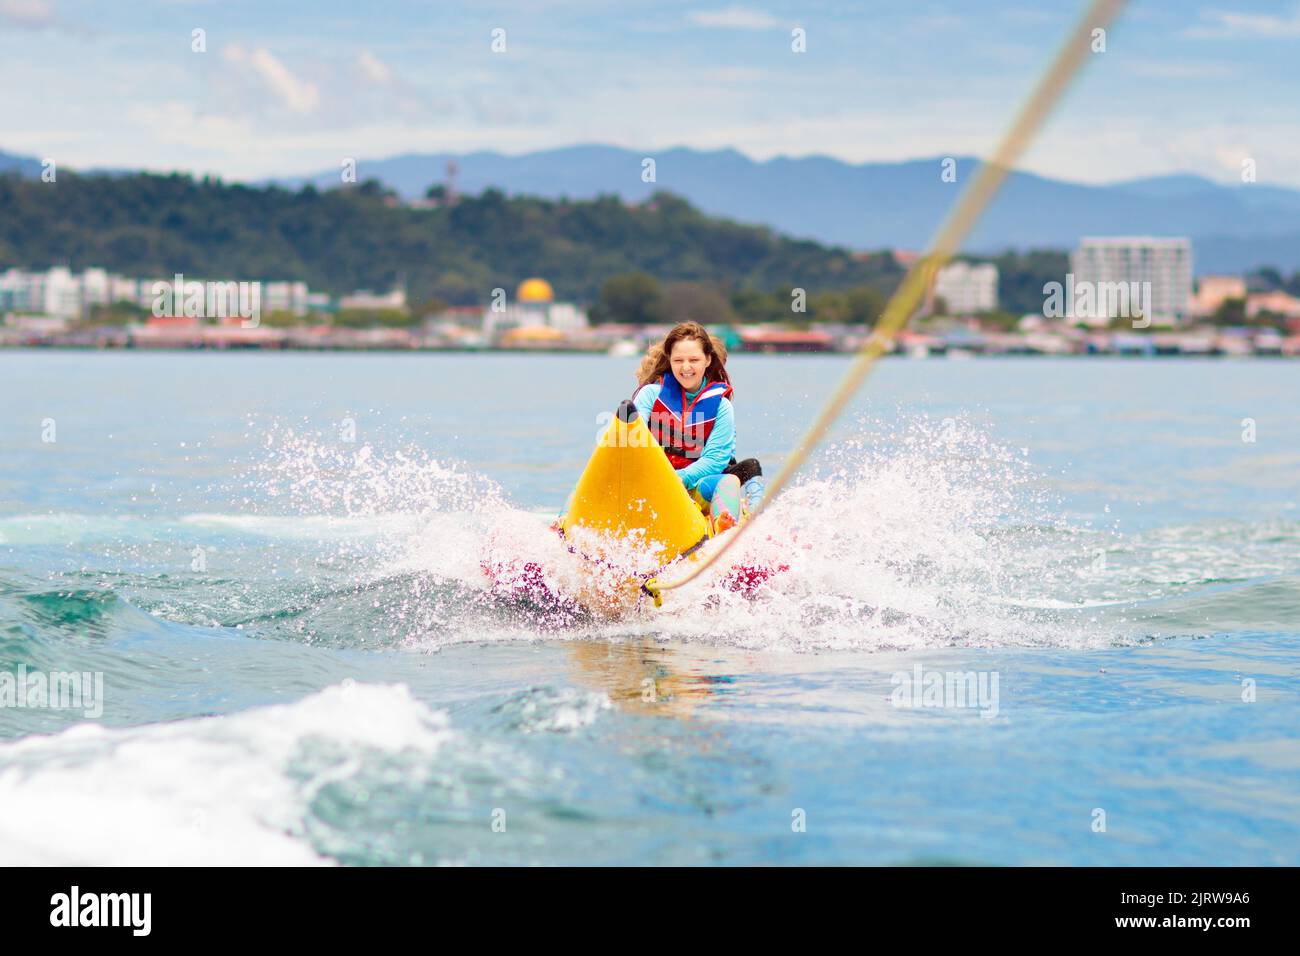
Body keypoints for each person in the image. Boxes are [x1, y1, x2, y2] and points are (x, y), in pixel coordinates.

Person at [631, 322, 765, 520]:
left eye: (694, 360)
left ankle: (733, 525)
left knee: (730, 480)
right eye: (678, 360)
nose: (686, 367)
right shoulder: (650, 395)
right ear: (670, 361)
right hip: (650, 485)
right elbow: (632, 443)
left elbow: (716, 459)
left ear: (708, 360)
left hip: (694, 488)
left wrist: (679, 478)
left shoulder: (721, 406)